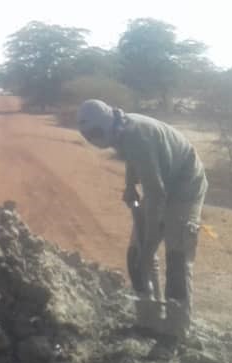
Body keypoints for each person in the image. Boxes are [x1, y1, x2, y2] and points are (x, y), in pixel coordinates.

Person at [77, 99, 207, 348]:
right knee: (135, 256)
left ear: (106, 124)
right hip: (161, 181)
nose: (93, 139)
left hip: (185, 186)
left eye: (95, 133)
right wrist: (129, 184)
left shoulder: (137, 135)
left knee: (177, 259)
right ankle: (148, 321)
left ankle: (174, 333)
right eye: (88, 136)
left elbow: (156, 194)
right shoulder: (120, 127)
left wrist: (150, 248)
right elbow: (133, 157)